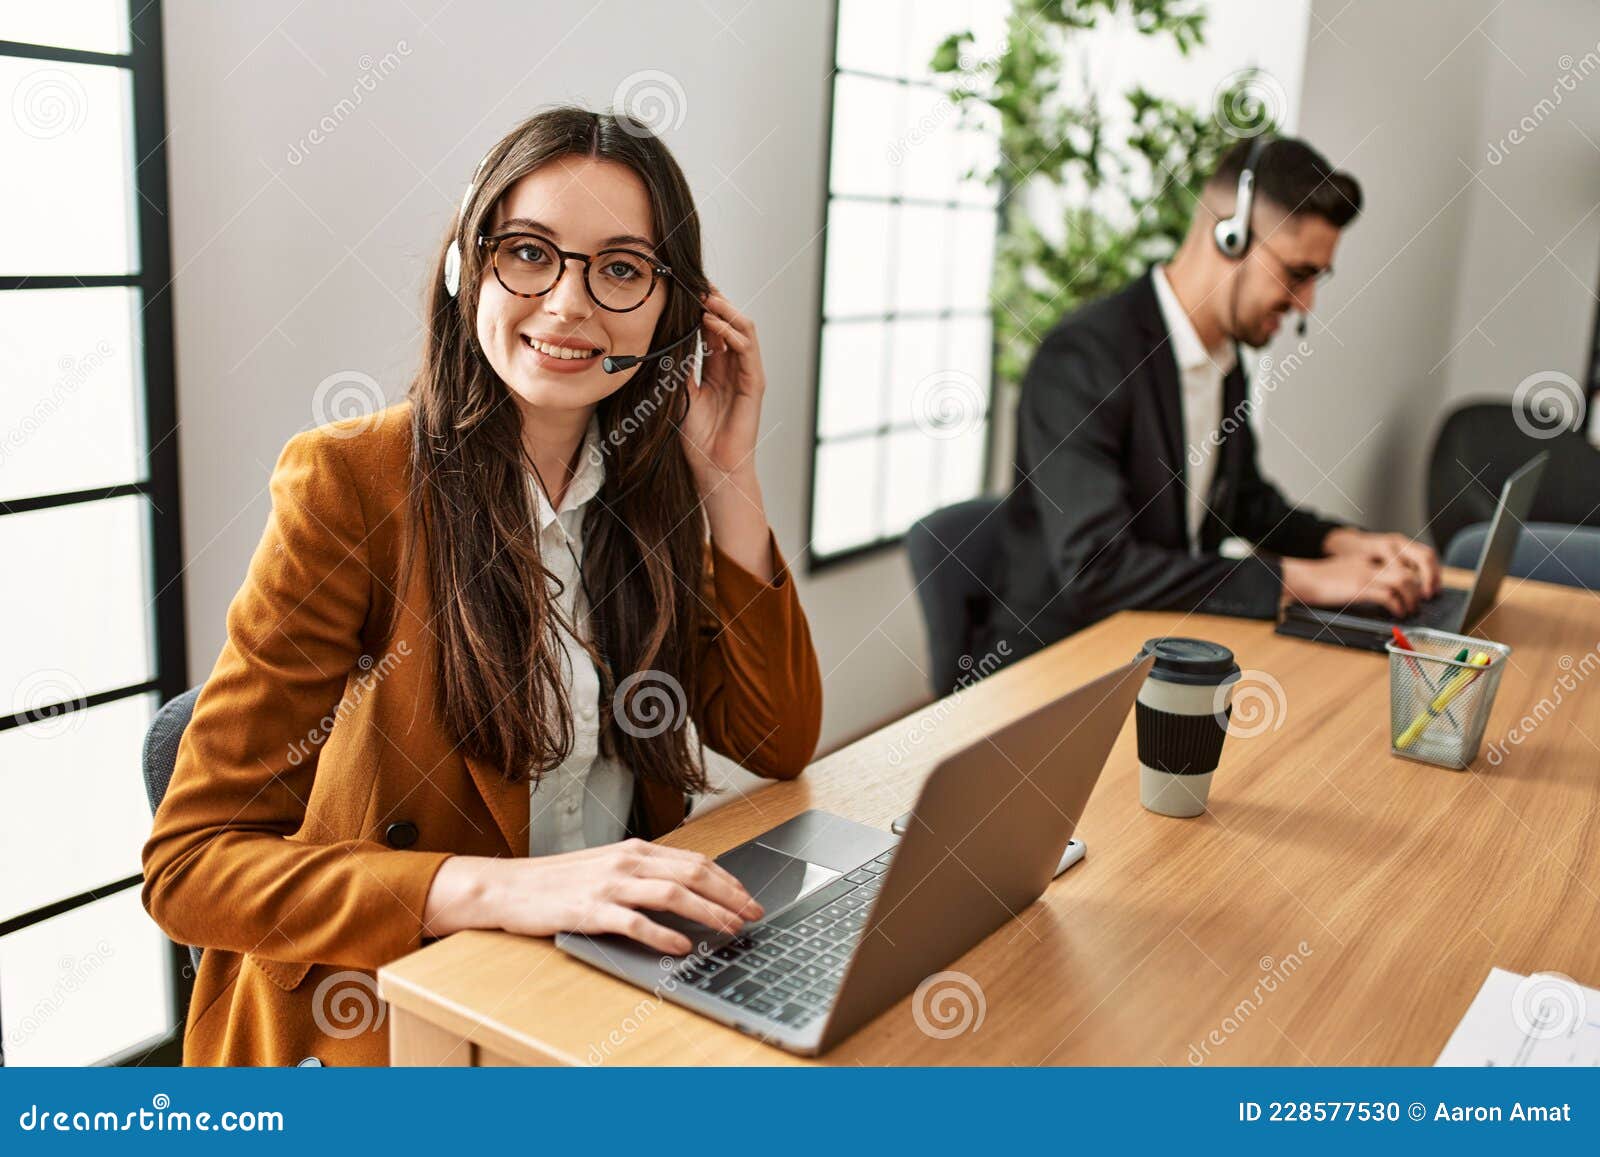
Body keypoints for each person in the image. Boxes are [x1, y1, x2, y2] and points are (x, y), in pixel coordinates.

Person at [142, 107, 824, 1066]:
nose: (569, 304)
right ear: (470, 267)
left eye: (621, 268)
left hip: (601, 987)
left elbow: (776, 736)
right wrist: (501, 889)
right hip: (393, 1010)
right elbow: (192, 865)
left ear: (672, 308)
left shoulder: (648, 483)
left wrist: (727, 479)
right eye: (529, 253)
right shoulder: (354, 483)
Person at [984, 135, 1441, 664]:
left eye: (1317, 278)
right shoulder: (1083, 359)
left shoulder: (1223, 357)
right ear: (1229, 238)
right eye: (1297, 274)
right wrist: (1304, 580)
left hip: (1152, 646)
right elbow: (1098, 570)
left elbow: (1242, 501)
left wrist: (1342, 543)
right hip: (1056, 664)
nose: (1306, 304)